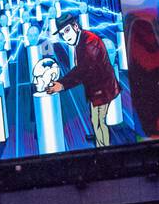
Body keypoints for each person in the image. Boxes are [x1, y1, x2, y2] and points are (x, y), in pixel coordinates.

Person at [45, 12, 121, 147]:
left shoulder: (89, 43)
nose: (66, 36)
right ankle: (99, 139)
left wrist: (62, 84)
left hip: (103, 89)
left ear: (75, 26)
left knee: (99, 121)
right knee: (96, 119)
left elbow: (82, 70)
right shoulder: (82, 39)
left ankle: (103, 147)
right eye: (62, 34)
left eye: (67, 30)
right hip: (96, 89)